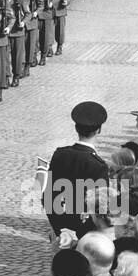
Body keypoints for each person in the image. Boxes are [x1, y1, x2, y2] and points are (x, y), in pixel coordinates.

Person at [43, 100, 110, 240]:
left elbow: (48, 197)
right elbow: (100, 209)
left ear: (76, 128)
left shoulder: (60, 154)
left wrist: (59, 229)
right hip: (84, 234)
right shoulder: (98, 165)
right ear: (99, 130)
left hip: (60, 229)